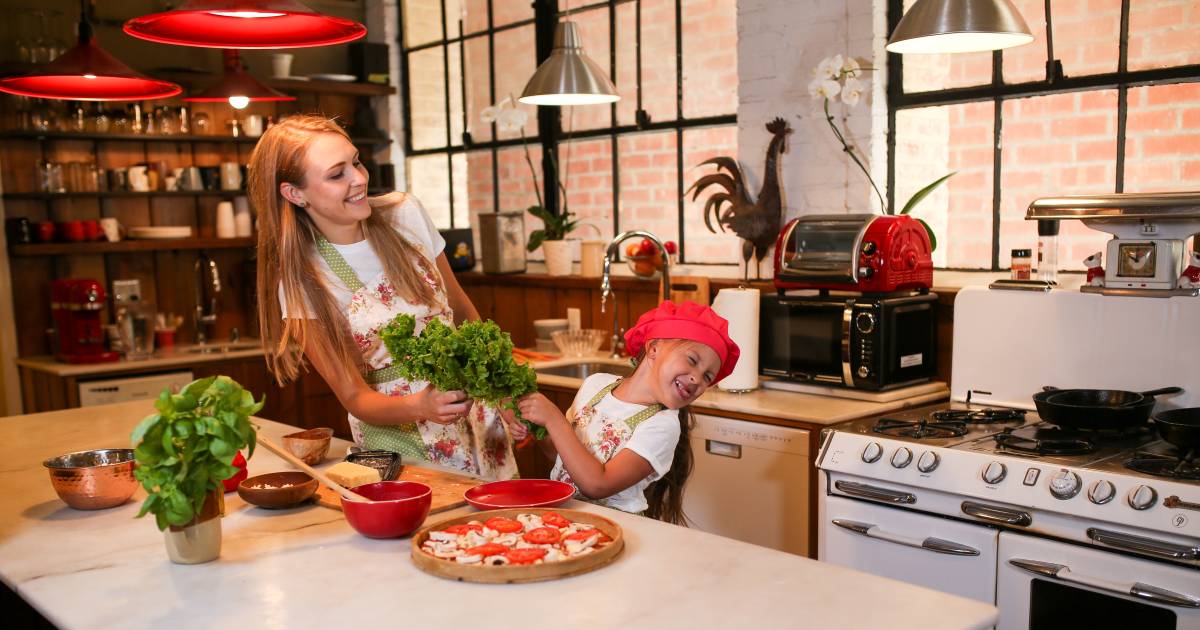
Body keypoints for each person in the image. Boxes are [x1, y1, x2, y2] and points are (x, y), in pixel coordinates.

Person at [248, 114, 520, 480]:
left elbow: (462, 313)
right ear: (295, 194)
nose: (359, 179)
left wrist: (504, 397)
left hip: (476, 420)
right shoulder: (304, 280)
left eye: (356, 162)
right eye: (336, 174)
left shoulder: (405, 214)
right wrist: (420, 405)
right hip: (399, 443)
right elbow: (354, 397)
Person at [516, 301, 740, 524]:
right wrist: (538, 432)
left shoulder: (662, 426)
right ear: (653, 348)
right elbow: (563, 458)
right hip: (567, 518)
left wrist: (554, 420)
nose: (697, 378)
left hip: (617, 529)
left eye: (707, 377)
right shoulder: (595, 385)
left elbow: (598, 485)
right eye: (692, 360)